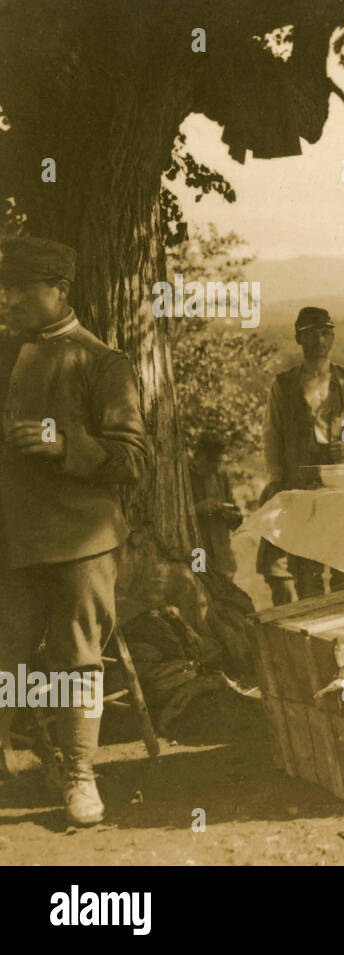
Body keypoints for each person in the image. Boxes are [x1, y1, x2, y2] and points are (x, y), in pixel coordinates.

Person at [0, 237, 150, 826]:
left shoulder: (102, 362)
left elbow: (134, 459)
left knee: (78, 658)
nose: (8, 299)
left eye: (21, 289)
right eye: (5, 288)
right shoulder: (5, 353)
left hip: (80, 539)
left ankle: (80, 777)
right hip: (11, 537)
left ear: (59, 291)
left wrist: (63, 445)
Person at [258, 306, 344, 604]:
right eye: (311, 334)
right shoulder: (284, 386)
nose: (319, 340)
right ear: (299, 339)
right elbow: (272, 435)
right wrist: (277, 479)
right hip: (302, 491)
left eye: (325, 333)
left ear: (333, 337)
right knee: (306, 573)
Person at [189, 431, 242, 583]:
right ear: (197, 456)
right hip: (197, 549)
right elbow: (173, 514)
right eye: (211, 461)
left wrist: (234, 516)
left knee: (227, 591)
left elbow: (233, 510)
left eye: (218, 461)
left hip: (222, 550)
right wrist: (197, 509)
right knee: (200, 585)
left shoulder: (221, 476)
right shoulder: (184, 476)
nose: (215, 467)